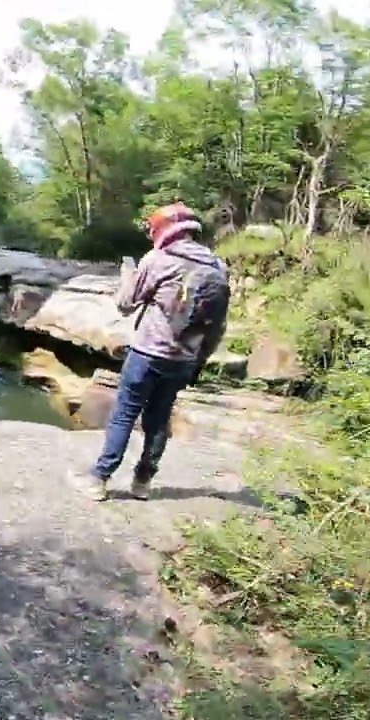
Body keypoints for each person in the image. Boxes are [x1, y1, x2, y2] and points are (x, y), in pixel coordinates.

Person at [74, 202, 231, 501]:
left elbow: (125, 304)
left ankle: (99, 479)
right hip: (184, 359)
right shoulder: (217, 267)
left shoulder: (159, 259)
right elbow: (217, 324)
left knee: (124, 414)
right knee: (159, 419)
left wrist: (128, 275)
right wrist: (200, 360)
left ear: (163, 231)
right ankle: (143, 482)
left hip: (147, 354)